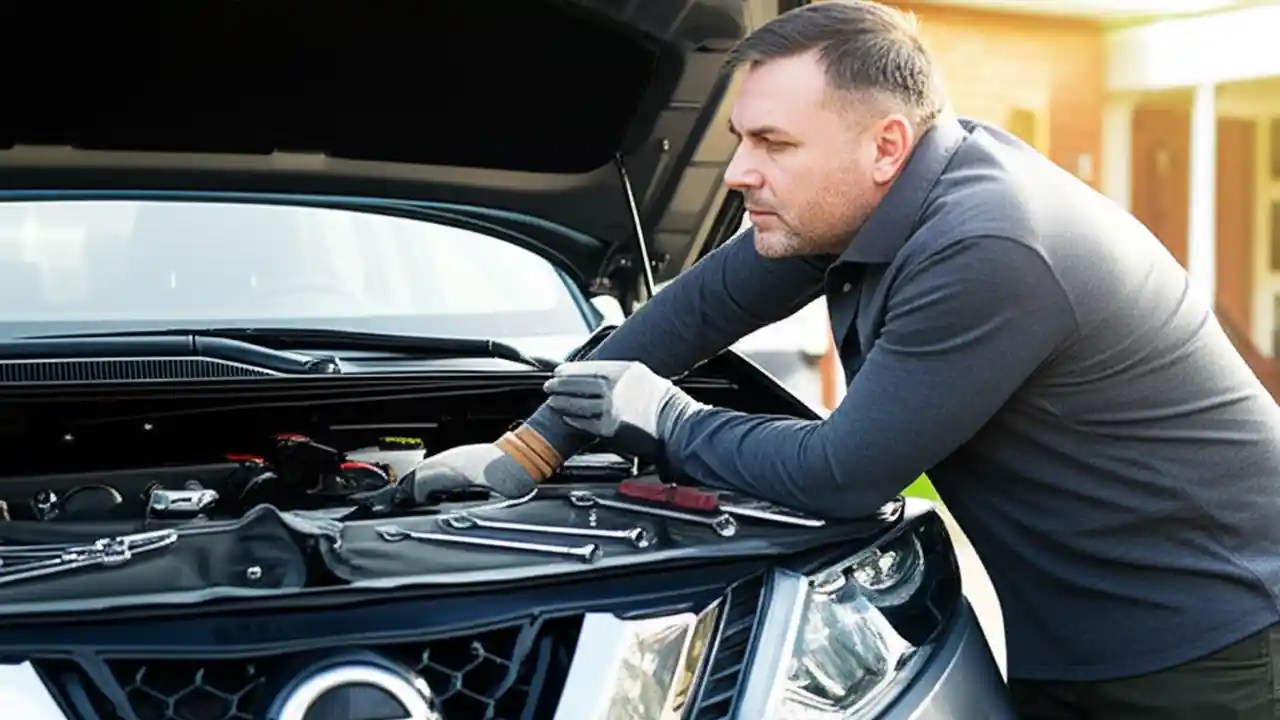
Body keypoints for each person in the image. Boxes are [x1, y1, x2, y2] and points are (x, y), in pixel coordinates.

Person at [402, 1, 1280, 716]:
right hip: (1084, 624)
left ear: (885, 145)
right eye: (741, 137)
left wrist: (664, 419)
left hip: (1209, 639)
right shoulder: (868, 196)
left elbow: (841, 473)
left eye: (773, 144)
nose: (740, 171)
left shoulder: (992, 244)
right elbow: (699, 305)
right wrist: (530, 447)